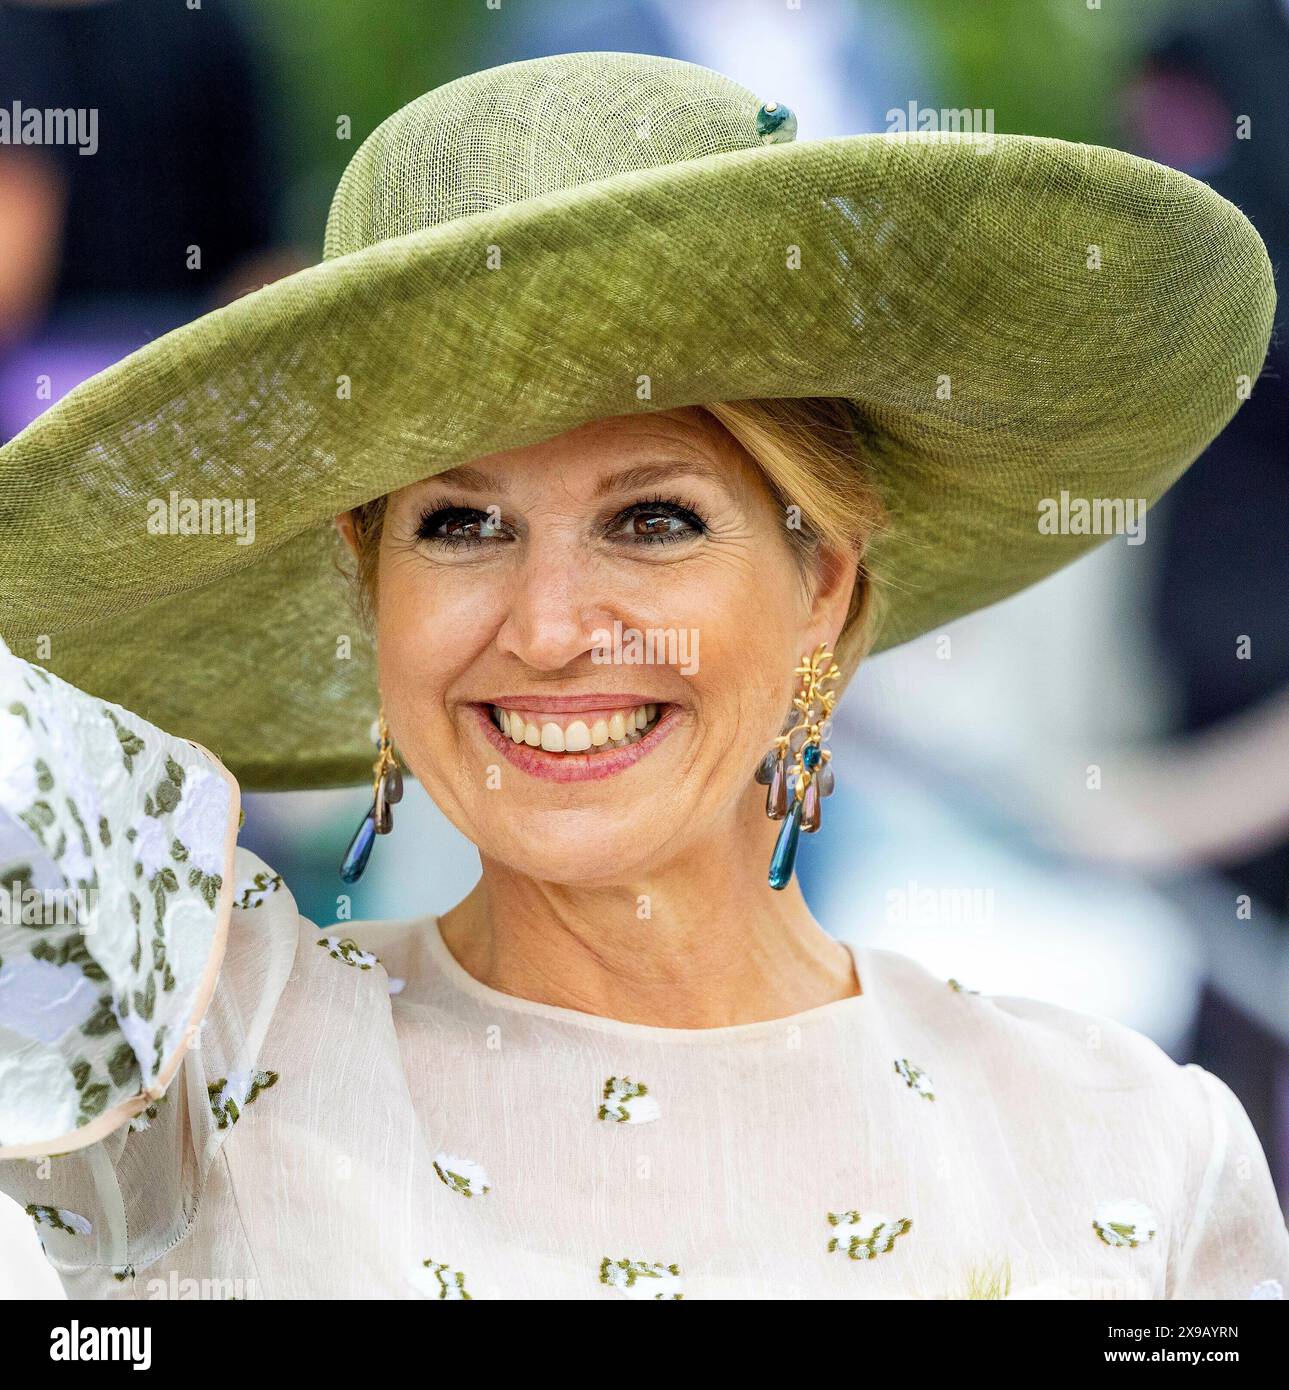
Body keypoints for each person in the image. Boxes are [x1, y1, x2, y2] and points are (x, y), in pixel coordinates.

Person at [0, 51, 1285, 1301]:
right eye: (459, 524)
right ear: (369, 583)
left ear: (821, 583)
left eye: (654, 519)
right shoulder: (180, 1063)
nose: (550, 629)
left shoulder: (1129, 1153)